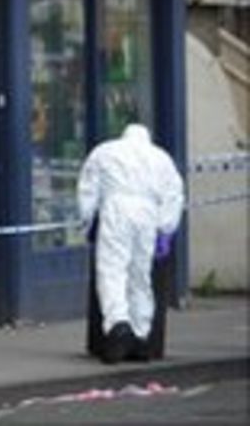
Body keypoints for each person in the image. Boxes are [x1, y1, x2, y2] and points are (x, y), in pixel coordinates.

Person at [78, 124, 185, 364]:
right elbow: (174, 194)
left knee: (112, 270)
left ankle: (118, 326)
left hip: (116, 209)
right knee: (140, 275)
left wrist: (88, 222)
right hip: (148, 214)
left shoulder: (104, 151)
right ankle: (141, 335)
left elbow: (88, 188)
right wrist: (166, 230)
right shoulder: (161, 158)